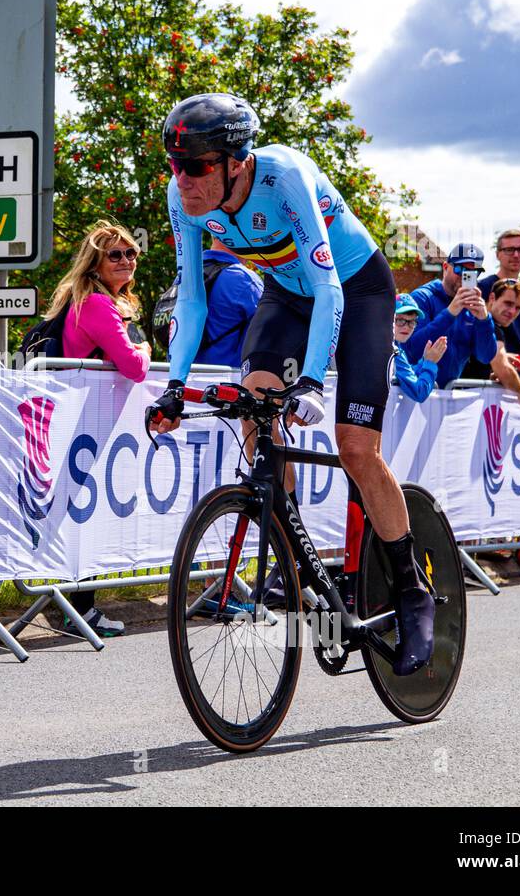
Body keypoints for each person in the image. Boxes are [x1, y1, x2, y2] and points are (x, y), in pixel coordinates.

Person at [149, 92, 434, 676]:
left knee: (355, 447)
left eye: (197, 166)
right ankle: (291, 548)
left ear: (235, 161)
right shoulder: (187, 203)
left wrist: (309, 380)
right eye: (175, 165)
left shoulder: (284, 178)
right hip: (287, 292)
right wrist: (174, 384)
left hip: (354, 291)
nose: (183, 180)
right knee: (253, 400)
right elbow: (193, 299)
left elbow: (330, 288)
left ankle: (411, 590)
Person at [46, 220, 152, 637]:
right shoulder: (96, 304)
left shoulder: (107, 300)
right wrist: (143, 347)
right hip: (81, 421)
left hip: (89, 420)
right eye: (116, 254)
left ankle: (76, 603)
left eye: (131, 253)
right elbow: (134, 365)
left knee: (84, 511)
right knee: (82, 511)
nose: (126, 260)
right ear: (95, 263)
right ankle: (81, 609)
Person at [402, 244, 508, 393]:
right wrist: (450, 313)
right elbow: (411, 350)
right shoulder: (423, 297)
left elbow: (485, 356)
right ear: (445, 267)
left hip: (447, 396)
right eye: (460, 269)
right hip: (414, 391)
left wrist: (484, 320)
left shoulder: (472, 307)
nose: (465, 276)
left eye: (472, 272)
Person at [479, 229, 520, 378]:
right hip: (490, 382)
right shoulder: (482, 288)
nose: (516, 255)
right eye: (509, 250)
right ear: (498, 254)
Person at [458, 278, 520, 408]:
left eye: (518, 308)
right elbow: (502, 368)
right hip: (458, 401)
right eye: (508, 303)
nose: (512, 312)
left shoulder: (471, 317)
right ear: (492, 298)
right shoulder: (489, 325)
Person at [391, 295, 445, 403]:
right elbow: (420, 392)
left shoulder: (394, 346)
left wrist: (424, 361)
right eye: (400, 320)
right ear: (390, 319)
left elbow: (408, 375)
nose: (406, 327)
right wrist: (430, 363)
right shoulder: (394, 351)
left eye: (412, 322)